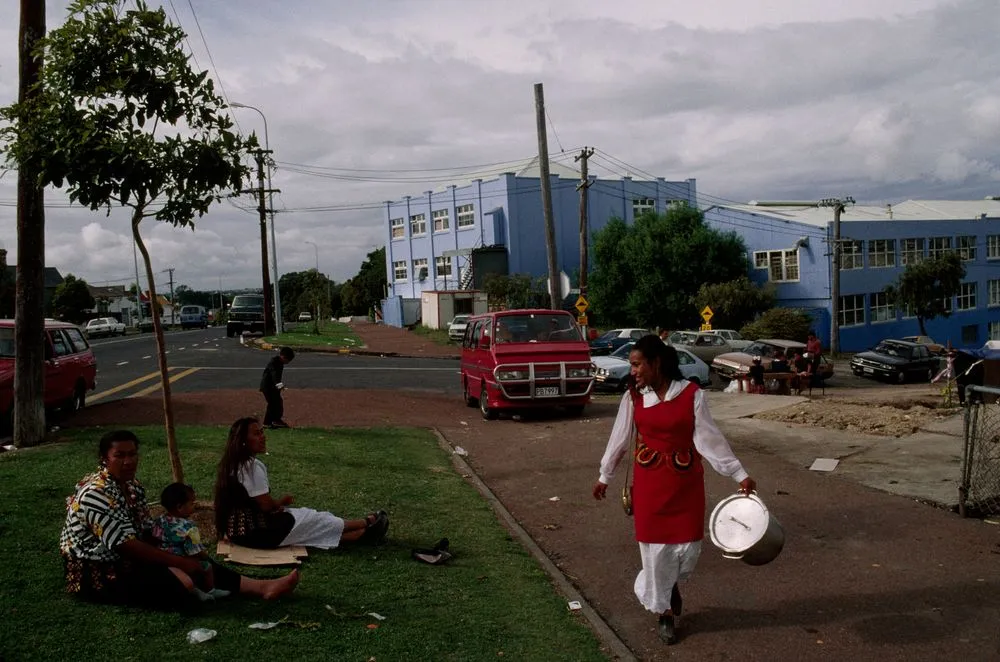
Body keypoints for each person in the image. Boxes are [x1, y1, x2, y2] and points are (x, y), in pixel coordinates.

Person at [591, 336, 756, 645]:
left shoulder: (692, 395)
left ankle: (670, 587)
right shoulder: (634, 397)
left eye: (638, 364)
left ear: (656, 363)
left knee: (688, 549)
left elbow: (709, 439)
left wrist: (739, 473)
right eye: (632, 365)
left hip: (685, 485)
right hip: (650, 487)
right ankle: (664, 613)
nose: (634, 371)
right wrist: (605, 476)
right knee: (654, 554)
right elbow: (620, 439)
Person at [59, 430, 299, 608]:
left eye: (132, 454)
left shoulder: (132, 486)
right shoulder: (95, 494)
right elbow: (126, 545)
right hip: (99, 570)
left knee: (194, 559)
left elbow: (144, 530)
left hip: (128, 558)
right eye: (119, 455)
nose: (128, 461)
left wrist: (178, 545)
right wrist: (179, 562)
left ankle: (261, 587)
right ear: (104, 458)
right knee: (184, 585)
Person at [214, 417, 389, 550]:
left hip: (242, 533)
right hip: (258, 533)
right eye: (256, 434)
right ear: (243, 441)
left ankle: (364, 534)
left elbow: (255, 504)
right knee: (314, 519)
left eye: (262, 432)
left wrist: (277, 506)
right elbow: (266, 505)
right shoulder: (251, 467)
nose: (263, 437)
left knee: (309, 523)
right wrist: (281, 502)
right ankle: (366, 523)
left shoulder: (234, 464)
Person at [150, 482, 231, 601]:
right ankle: (210, 589)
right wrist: (205, 557)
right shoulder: (189, 527)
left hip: (164, 559)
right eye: (192, 503)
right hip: (184, 559)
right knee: (207, 567)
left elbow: (154, 536)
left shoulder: (159, 520)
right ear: (179, 507)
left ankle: (196, 591)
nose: (195, 505)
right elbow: (194, 549)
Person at [261, 347, 294, 429]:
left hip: (273, 387)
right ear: (283, 357)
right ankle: (267, 423)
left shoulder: (279, 363)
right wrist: (279, 385)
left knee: (278, 403)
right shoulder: (274, 363)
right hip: (268, 387)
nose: (288, 362)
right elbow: (274, 374)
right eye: (288, 360)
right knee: (272, 404)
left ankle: (276, 420)